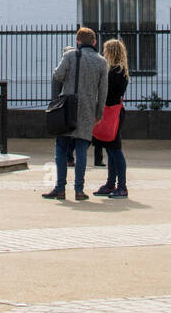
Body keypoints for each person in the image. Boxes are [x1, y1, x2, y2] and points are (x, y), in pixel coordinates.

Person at [43, 27, 109, 201]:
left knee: (61, 148)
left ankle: (60, 188)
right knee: (81, 150)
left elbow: (57, 75)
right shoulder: (101, 62)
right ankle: (79, 190)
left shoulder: (70, 56)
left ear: (78, 41)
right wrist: (99, 113)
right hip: (87, 109)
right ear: (94, 42)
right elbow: (103, 92)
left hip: (67, 108)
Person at [92, 39, 130, 199]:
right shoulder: (120, 71)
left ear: (112, 52)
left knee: (115, 150)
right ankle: (111, 183)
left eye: (106, 50)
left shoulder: (115, 72)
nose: (104, 53)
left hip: (111, 113)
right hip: (115, 112)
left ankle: (121, 186)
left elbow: (106, 92)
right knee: (111, 149)